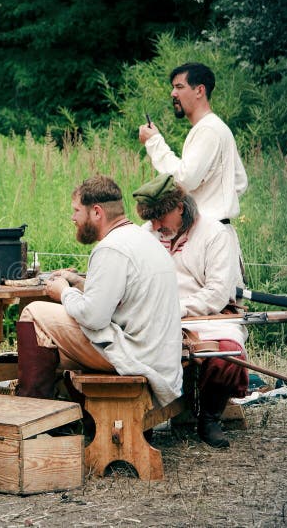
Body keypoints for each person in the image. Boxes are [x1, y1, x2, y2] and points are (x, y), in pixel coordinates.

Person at [17, 175, 183, 408]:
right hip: (158, 355)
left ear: (96, 212)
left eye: (76, 210)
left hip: (137, 356)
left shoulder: (111, 248)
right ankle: (77, 412)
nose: (73, 217)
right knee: (51, 339)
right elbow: (123, 297)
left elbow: (94, 317)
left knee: (34, 313)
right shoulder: (142, 239)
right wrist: (77, 282)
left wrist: (64, 291)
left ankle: (31, 412)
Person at [134, 174, 248, 448]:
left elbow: (218, 293)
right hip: (158, 314)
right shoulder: (145, 234)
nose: (156, 225)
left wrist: (178, 309)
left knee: (226, 353)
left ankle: (209, 417)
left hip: (210, 315)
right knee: (131, 351)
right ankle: (142, 420)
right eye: (152, 219)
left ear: (180, 208)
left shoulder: (215, 234)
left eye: (160, 217)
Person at [138, 62, 248, 272]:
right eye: (173, 87)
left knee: (217, 302)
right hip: (213, 232)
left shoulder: (209, 130)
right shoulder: (212, 128)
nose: (172, 93)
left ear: (200, 90)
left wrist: (154, 142)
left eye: (179, 87)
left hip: (209, 236)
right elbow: (240, 182)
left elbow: (184, 180)